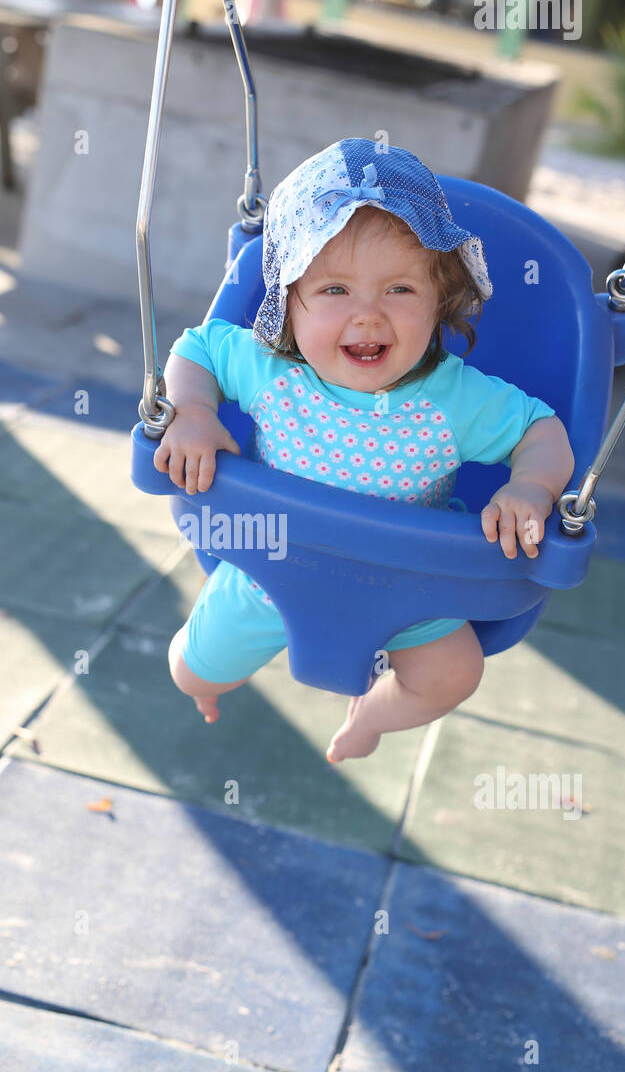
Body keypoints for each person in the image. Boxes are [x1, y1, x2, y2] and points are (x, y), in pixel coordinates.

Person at [152, 138, 575, 763]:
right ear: (287, 297)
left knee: (452, 676)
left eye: (400, 290)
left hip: (410, 587)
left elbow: (543, 429)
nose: (368, 317)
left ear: (441, 300)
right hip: (268, 570)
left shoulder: (453, 399)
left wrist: (529, 487)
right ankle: (207, 692)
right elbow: (195, 348)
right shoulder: (269, 368)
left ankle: (372, 717)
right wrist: (191, 411)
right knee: (192, 672)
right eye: (334, 291)